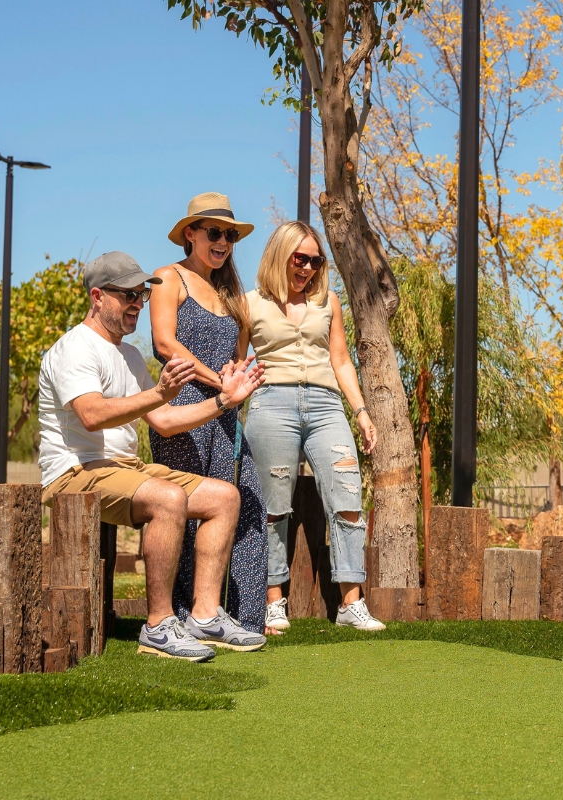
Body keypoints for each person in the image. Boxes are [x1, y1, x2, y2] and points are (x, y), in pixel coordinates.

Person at [38, 251, 268, 662]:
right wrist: (157, 393)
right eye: (127, 295)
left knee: (225, 498)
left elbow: (161, 420)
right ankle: (159, 625)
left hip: (124, 470)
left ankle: (204, 616)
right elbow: (91, 415)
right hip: (75, 472)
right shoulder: (75, 348)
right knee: (168, 497)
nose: (138, 304)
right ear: (96, 297)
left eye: (142, 295)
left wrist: (223, 400)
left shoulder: (127, 356)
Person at [243, 220, 383, 633]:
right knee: (273, 506)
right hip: (272, 403)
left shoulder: (328, 301)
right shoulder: (250, 303)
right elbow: (238, 362)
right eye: (298, 259)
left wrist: (361, 411)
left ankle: (350, 604)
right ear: (279, 256)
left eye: (314, 261)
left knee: (348, 495)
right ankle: (273, 601)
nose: (306, 268)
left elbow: (340, 360)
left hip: (325, 406)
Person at [149, 192, 268, 634]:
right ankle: (183, 615)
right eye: (214, 232)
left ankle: (240, 615)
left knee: (246, 504)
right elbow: (165, 344)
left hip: (225, 415)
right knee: (186, 509)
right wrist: (216, 383)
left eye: (230, 235)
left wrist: (235, 379)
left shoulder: (232, 294)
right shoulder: (168, 277)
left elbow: (237, 356)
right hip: (183, 410)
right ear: (191, 234)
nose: (223, 242)